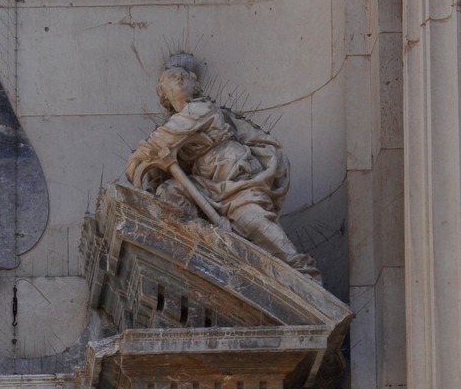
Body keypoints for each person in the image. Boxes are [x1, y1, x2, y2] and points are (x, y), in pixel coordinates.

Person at [125, 55, 318, 278]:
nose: (178, 79)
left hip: (237, 181)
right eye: (172, 78)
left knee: (253, 221)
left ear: (195, 84)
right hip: (206, 185)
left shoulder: (202, 109)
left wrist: (139, 159)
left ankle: (301, 270)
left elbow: (161, 140)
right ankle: (197, 241)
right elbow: (154, 160)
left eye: (183, 76)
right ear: (164, 94)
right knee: (169, 192)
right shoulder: (176, 124)